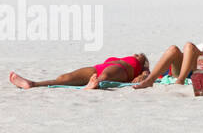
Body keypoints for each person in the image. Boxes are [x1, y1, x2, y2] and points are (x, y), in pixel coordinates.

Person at [9, 52, 149, 90]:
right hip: (96, 68)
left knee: (106, 75)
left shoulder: (139, 65)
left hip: (122, 70)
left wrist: (143, 75)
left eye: (139, 56)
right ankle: (32, 84)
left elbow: (147, 74)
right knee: (64, 78)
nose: (137, 55)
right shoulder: (119, 57)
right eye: (136, 54)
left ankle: (94, 83)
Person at [131, 42, 203, 88]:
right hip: (180, 69)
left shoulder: (201, 49)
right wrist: (145, 75)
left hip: (199, 67)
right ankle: (149, 81)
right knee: (173, 48)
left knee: (189, 46)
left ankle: (181, 80)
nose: (135, 55)